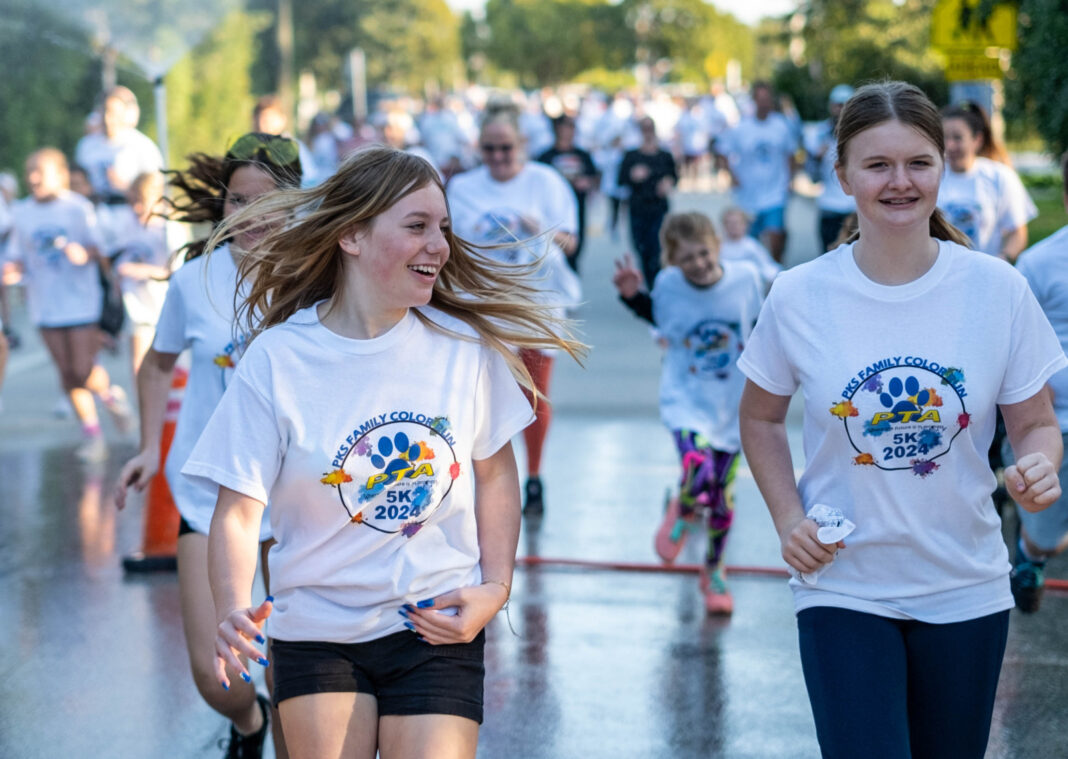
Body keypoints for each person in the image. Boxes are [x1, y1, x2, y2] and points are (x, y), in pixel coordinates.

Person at [179, 146, 582, 758]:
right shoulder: (277, 358)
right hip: (317, 630)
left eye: (442, 228)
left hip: (435, 622)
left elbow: (497, 474)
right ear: (352, 236)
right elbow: (237, 509)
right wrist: (233, 607)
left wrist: (495, 587)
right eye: (417, 226)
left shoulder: (464, 348)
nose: (440, 246)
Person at [736, 81, 1066, 759]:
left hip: (965, 584)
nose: (900, 181)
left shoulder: (996, 287)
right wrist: (787, 518)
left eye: (918, 162)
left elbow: (1036, 422)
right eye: (877, 164)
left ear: (944, 167)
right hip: (842, 583)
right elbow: (760, 418)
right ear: (842, 177)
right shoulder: (799, 293)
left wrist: (1042, 461)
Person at [114, 133, 303, 759]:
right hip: (207, 492)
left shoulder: (325, 280)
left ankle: (286, 735)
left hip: (299, 499)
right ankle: (248, 725)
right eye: (235, 202)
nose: (248, 217)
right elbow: (154, 365)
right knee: (216, 676)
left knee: (294, 672)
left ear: (296, 205)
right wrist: (147, 447)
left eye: (265, 203)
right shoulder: (194, 281)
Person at [613, 211, 764, 614]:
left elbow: (764, 326)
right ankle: (682, 505)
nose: (697, 265)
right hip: (686, 397)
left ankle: (714, 570)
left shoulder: (746, 278)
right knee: (700, 468)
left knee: (722, 499)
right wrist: (632, 297)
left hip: (731, 403)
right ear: (673, 262)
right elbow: (662, 319)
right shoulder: (669, 285)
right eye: (686, 260)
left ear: (716, 246)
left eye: (703, 254)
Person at [447, 102, 581, 516]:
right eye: (489, 149)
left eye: (505, 148)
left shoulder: (548, 182)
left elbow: (570, 243)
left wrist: (536, 226)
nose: (498, 157)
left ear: (522, 144)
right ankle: (479, 480)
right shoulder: (463, 188)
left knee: (534, 395)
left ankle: (535, 476)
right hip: (483, 303)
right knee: (478, 399)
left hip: (535, 302)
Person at [3, 148, 131, 462]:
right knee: (67, 373)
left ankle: (111, 397)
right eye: (29, 171)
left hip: (80, 300)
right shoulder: (21, 211)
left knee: (81, 368)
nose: (33, 178)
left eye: (40, 171)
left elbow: (100, 251)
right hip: (44, 302)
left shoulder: (78, 208)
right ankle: (93, 436)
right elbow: (16, 255)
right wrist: (13, 270)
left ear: (60, 175)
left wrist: (84, 254)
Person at [1003, 154, 1068, 613]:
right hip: (1056, 421)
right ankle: (1031, 553)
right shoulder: (1040, 263)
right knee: (1047, 532)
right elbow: (1017, 347)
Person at [938, 101, 1037, 261]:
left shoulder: (999, 176)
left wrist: (1001, 261)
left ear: (977, 139)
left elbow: (1018, 234)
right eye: (944, 138)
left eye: (957, 138)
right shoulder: (931, 176)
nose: (949, 145)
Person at [714, 81, 797, 263]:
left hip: (775, 193)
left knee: (775, 238)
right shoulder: (741, 128)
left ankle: (776, 273)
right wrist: (732, 176)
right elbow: (722, 152)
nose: (764, 104)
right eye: (760, 99)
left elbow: (791, 154)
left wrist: (791, 180)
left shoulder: (781, 125)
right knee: (750, 244)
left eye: (767, 99)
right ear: (754, 101)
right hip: (747, 197)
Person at [110, 171, 170, 380]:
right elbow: (119, 256)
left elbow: (175, 271)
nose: (136, 208)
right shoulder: (129, 225)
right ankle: (143, 412)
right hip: (138, 306)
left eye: (141, 202)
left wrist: (143, 271)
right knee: (139, 367)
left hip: (164, 306)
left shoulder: (169, 227)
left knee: (166, 368)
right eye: (132, 202)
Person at [75, 86, 163, 205]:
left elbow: (155, 189)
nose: (107, 118)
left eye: (113, 112)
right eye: (104, 111)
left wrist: (126, 188)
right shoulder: (86, 145)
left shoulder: (143, 147)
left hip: (129, 211)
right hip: (95, 212)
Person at [618, 116, 677, 288]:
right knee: (641, 248)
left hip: (658, 208)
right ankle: (650, 282)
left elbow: (674, 176)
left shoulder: (664, 155)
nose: (648, 133)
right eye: (644, 129)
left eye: (650, 128)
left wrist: (668, 183)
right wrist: (633, 175)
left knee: (657, 248)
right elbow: (620, 180)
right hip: (638, 208)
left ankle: (657, 284)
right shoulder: (632, 156)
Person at [537, 115, 599, 272]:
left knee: (574, 251)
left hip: (577, 209)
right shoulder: (545, 157)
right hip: (551, 212)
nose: (567, 132)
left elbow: (595, 178)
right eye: (563, 128)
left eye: (570, 128)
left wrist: (587, 183)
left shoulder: (582, 155)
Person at [806, 84, 857, 252]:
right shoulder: (819, 134)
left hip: (855, 207)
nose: (841, 110)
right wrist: (816, 158)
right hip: (829, 205)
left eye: (845, 105)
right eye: (837, 105)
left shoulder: (862, 135)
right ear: (831, 106)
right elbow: (813, 178)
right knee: (828, 255)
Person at [719, 206, 780, 289]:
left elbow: (768, 269)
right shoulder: (718, 246)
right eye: (729, 223)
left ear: (744, 225)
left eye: (736, 223)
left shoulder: (752, 246)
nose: (732, 226)